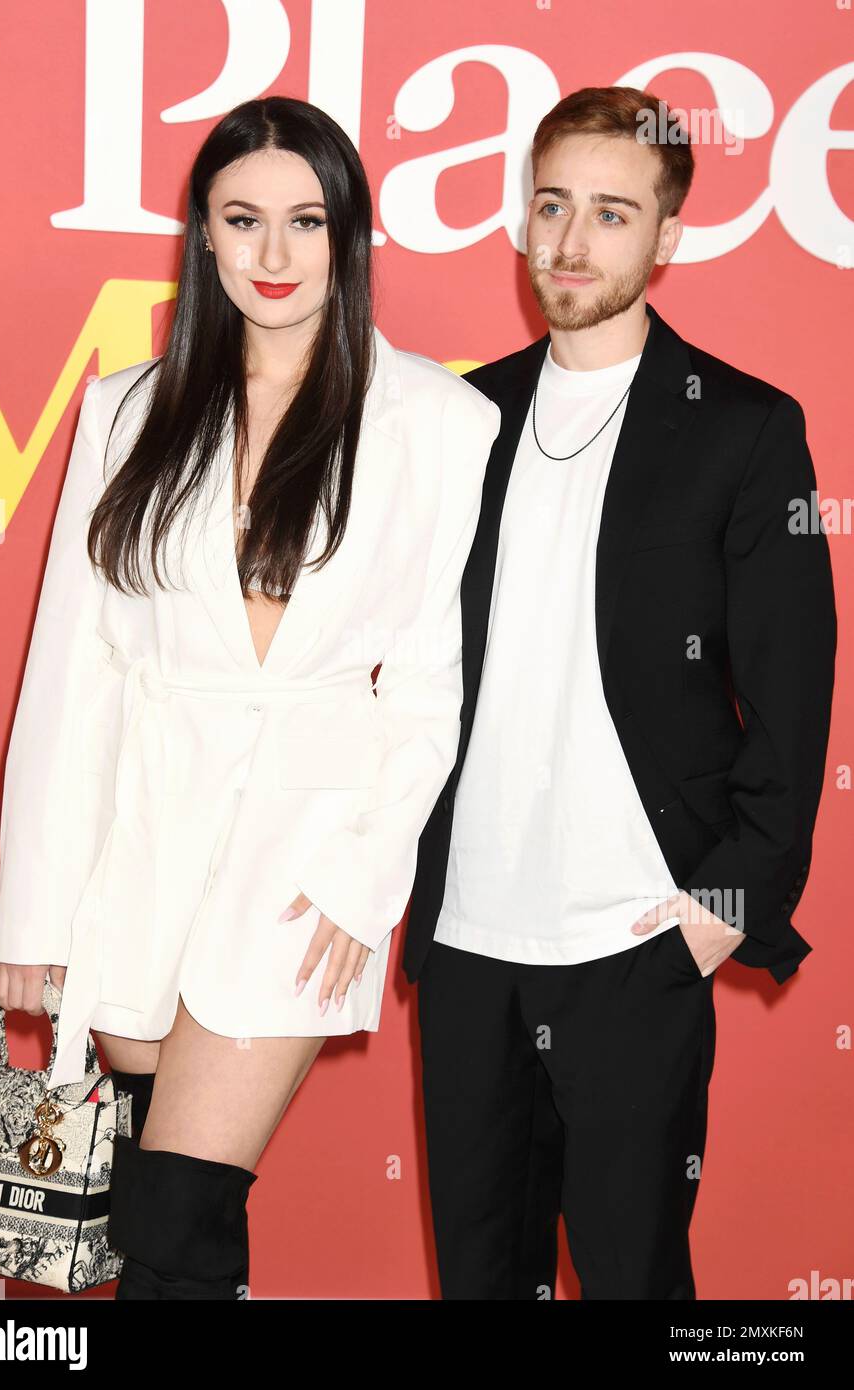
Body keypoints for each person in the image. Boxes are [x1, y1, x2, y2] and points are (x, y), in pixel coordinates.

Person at [0, 94, 500, 1300]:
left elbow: (429, 683)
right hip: (141, 848)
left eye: (307, 222)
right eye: (243, 220)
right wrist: (37, 913)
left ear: (350, 236)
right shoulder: (126, 408)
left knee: (175, 1212)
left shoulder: (437, 420)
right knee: (153, 1219)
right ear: (203, 236)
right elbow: (77, 666)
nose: (275, 256)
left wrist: (365, 875)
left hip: (303, 861)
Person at [406, 85, 837, 1299]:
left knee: (637, 1282)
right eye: (551, 206)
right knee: (482, 1281)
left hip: (636, 943)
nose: (572, 242)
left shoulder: (743, 430)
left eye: (610, 212)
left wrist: (721, 906)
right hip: (469, 943)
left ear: (668, 236)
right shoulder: (459, 418)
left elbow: (793, 690)